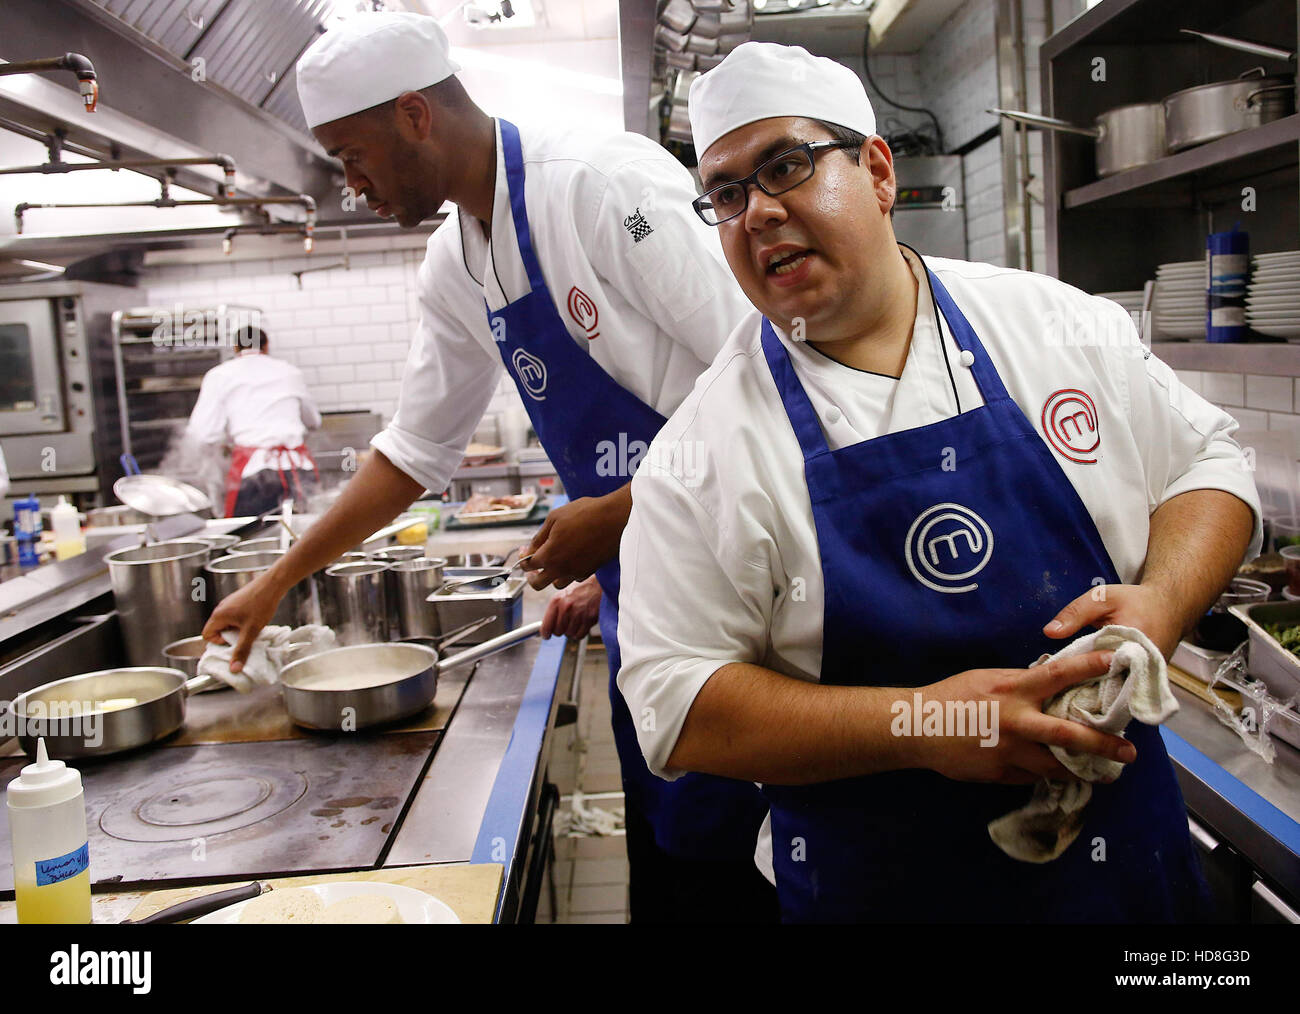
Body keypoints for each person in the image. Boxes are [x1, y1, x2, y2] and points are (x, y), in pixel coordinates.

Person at [616, 43, 1263, 922]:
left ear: (878, 171)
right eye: (726, 194)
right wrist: (924, 723)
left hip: (1124, 884)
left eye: (786, 166)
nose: (757, 213)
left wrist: (1163, 604)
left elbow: (1209, 465)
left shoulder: (1055, 324)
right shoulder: (704, 448)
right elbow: (673, 700)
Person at [201, 11, 771, 922]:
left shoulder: (595, 183)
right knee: (667, 858)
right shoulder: (453, 262)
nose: (352, 186)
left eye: (353, 155)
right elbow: (413, 453)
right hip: (646, 596)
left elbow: (767, 375)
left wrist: (619, 515)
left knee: (732, 864)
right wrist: (279, 580)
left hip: (746, 595)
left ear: (415, 115)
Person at [187, 325, 321, 517]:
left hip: (254, 474)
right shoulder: (291, 372)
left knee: (253, 538)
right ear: (266, 346)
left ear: (235, 348)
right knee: (309, 534)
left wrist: (222, 449)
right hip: (298, 469)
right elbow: (313, 421)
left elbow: (203, 434)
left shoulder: (219, 375)